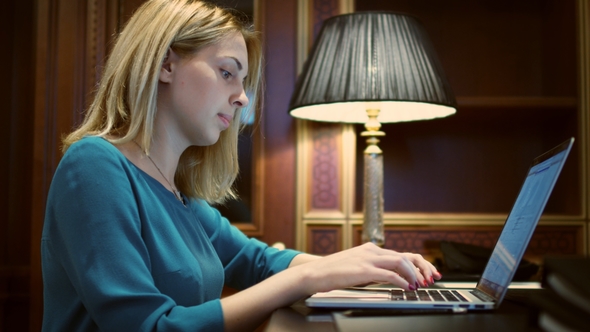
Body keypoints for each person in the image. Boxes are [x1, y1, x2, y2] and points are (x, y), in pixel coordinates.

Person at [41, 0, 442, 331]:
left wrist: (362, 265)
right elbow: (150, 327)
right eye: (226, 73)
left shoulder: (176, 192)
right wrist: (308, 278)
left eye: (243, 81)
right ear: (165, 65)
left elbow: (256, 260)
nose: (242, 98)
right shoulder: (93, 167)